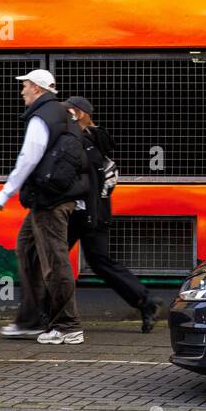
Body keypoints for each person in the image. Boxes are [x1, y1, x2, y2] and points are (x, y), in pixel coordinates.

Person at [0, 69, 90, 345]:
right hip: (58, 197)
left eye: (25, 85)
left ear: (36, 88)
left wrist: (5, 193)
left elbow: (28, 157)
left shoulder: (41, 117)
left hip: (49, 201)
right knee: (27, 249)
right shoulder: (63, 113)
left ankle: (68, 325)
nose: (22, 90)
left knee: (54, 262)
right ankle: (31, 319)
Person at [64, 96, 163, 333]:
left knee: (51, 258)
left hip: (83, 211)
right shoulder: (96, 139)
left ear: (79, 113)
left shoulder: (83, 141)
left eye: (68, 111)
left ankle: (45, 312)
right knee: (99, 261)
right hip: (96, 211)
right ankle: (144, 300)